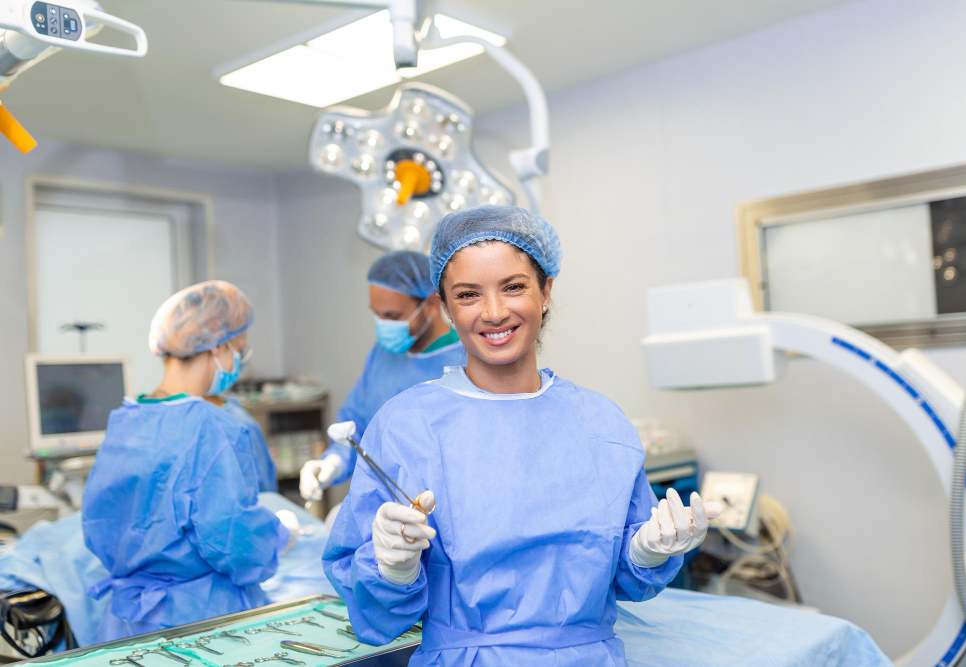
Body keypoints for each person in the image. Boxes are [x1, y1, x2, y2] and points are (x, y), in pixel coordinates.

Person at [322, 206, 720, 666]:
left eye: (513, 287)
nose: (494, 313)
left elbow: (626, 580)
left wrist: (646, 553)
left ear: (546, 290)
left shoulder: (600, 423)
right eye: (468, 295)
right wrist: (392, 568)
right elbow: (376, 618)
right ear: (445, 307)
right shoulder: (406, 427)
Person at [82, 280, 298, 642]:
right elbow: (232, 541)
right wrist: (276, 536)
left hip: (126, 625)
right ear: (219, 346)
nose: (239, 363)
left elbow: (100, 523)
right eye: (239, 351)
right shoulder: (205, 426)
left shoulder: (126, 418)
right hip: (199, 625)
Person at [298, 250, 465, 503]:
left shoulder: (466, 360)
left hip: (443, 511)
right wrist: (332, 462)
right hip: (381, 508)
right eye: (377, 314)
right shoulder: (382, 355)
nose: (383, 326)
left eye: (392, 317)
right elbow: (357, 428)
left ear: (431, 304)